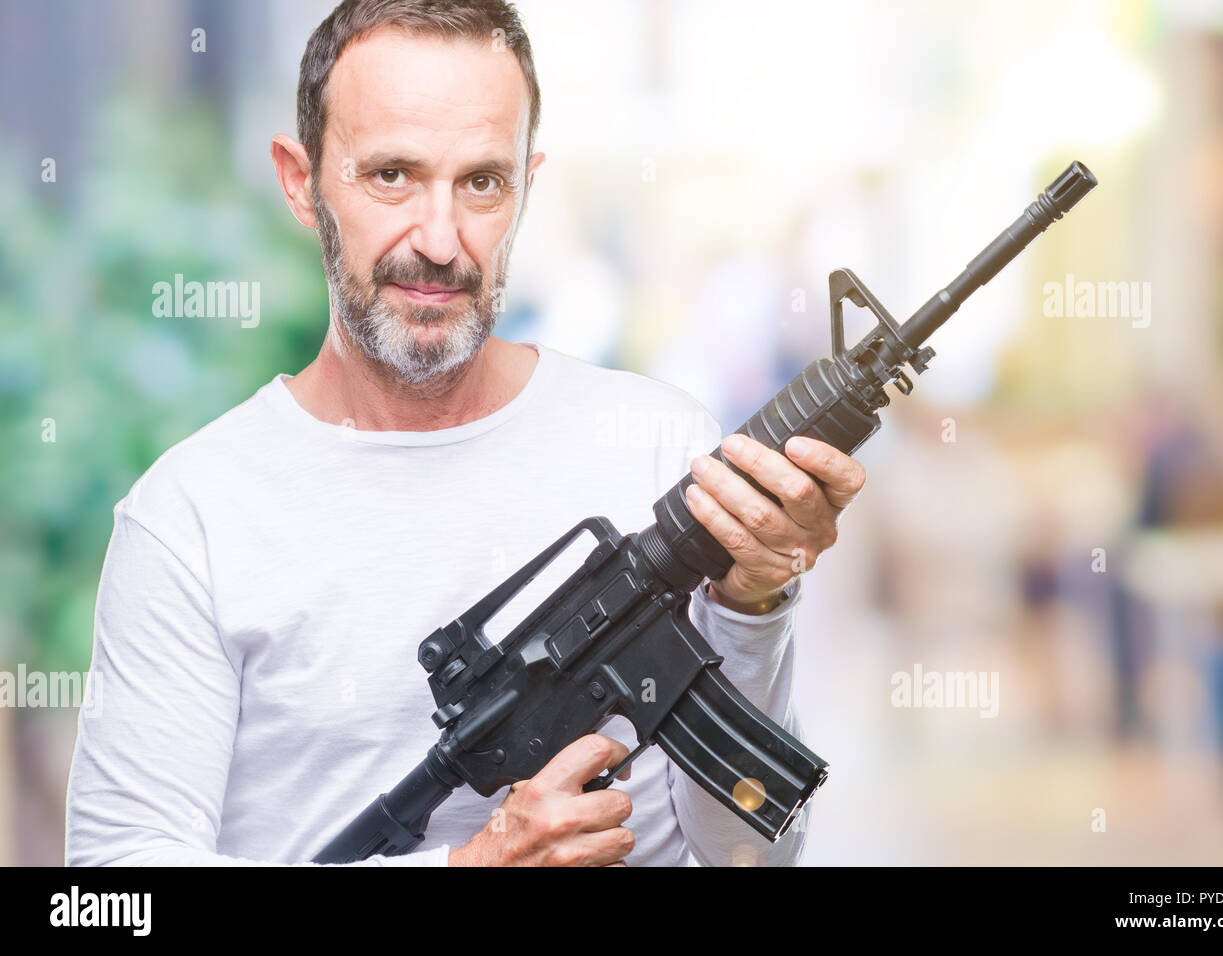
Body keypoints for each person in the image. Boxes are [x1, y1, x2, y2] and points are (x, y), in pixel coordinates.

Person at [64, 0, 865, 867]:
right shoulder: (192, 519)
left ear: (526, 182)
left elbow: (752, 857)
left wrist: (752, 604)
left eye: (482, 181)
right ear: (301, 182)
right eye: (392, 176)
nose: (441, 240)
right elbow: (114, 892)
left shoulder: (661, 442)